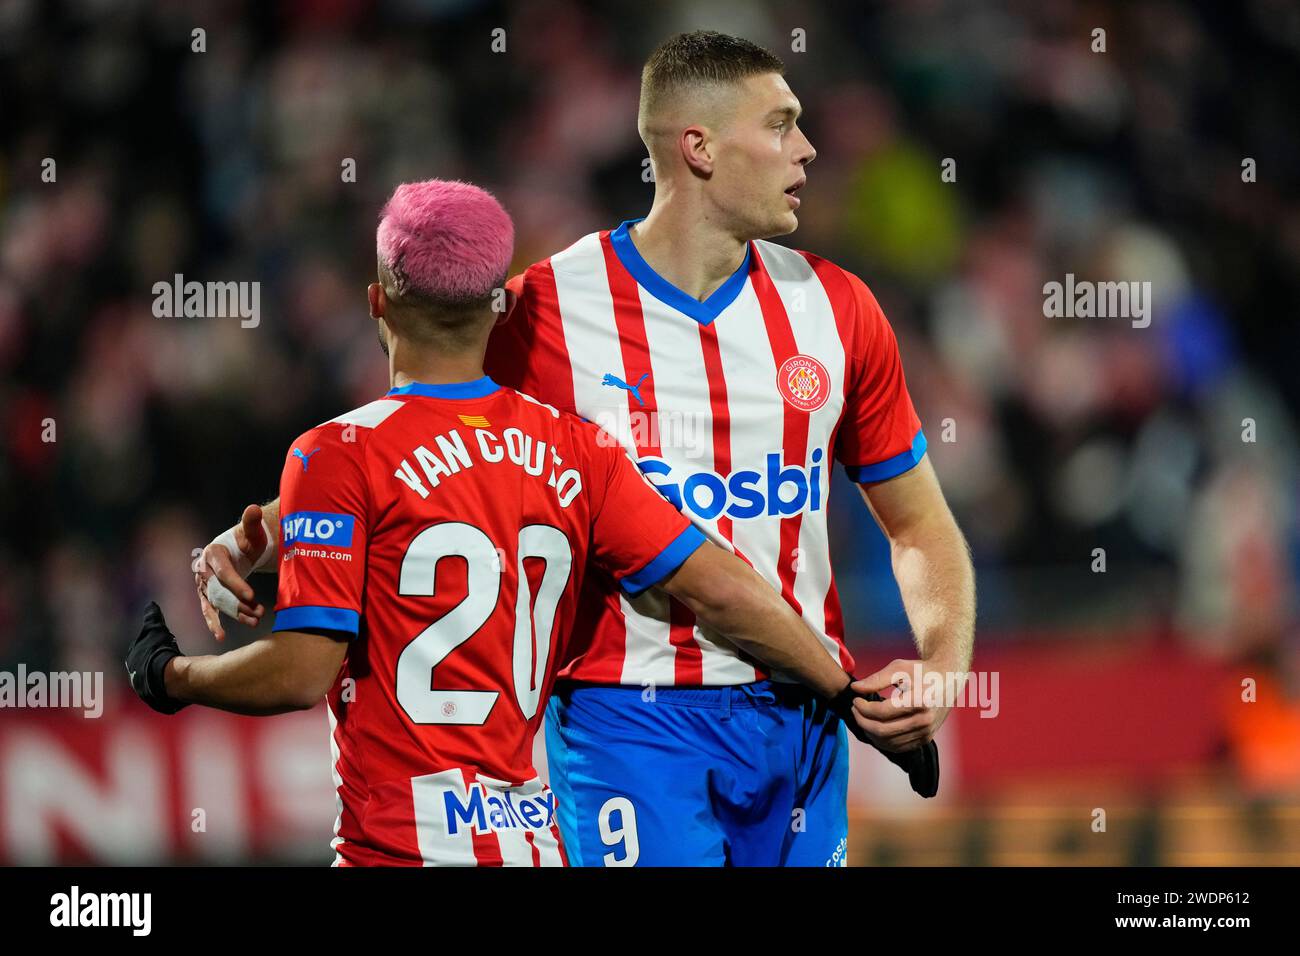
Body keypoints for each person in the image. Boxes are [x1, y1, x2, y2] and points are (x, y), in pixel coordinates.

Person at [200, 31, 975, 866]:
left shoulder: (839, 309)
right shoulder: (542, 310)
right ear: (698, 147)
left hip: (804, 720)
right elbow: (409, 438)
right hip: (625, 717)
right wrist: (271, 529)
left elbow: (917, 524)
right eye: (781, 124)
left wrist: (942, 666)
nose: (808, 147)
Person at [129, 179, 886, 866]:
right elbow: (723, 587)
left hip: (396, 848)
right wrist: (844, 689)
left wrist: (172, 676)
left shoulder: (336, 453)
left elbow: (299, 675)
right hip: (529, 844)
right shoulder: (579, 451)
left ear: (376, 302)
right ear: (500, 302)